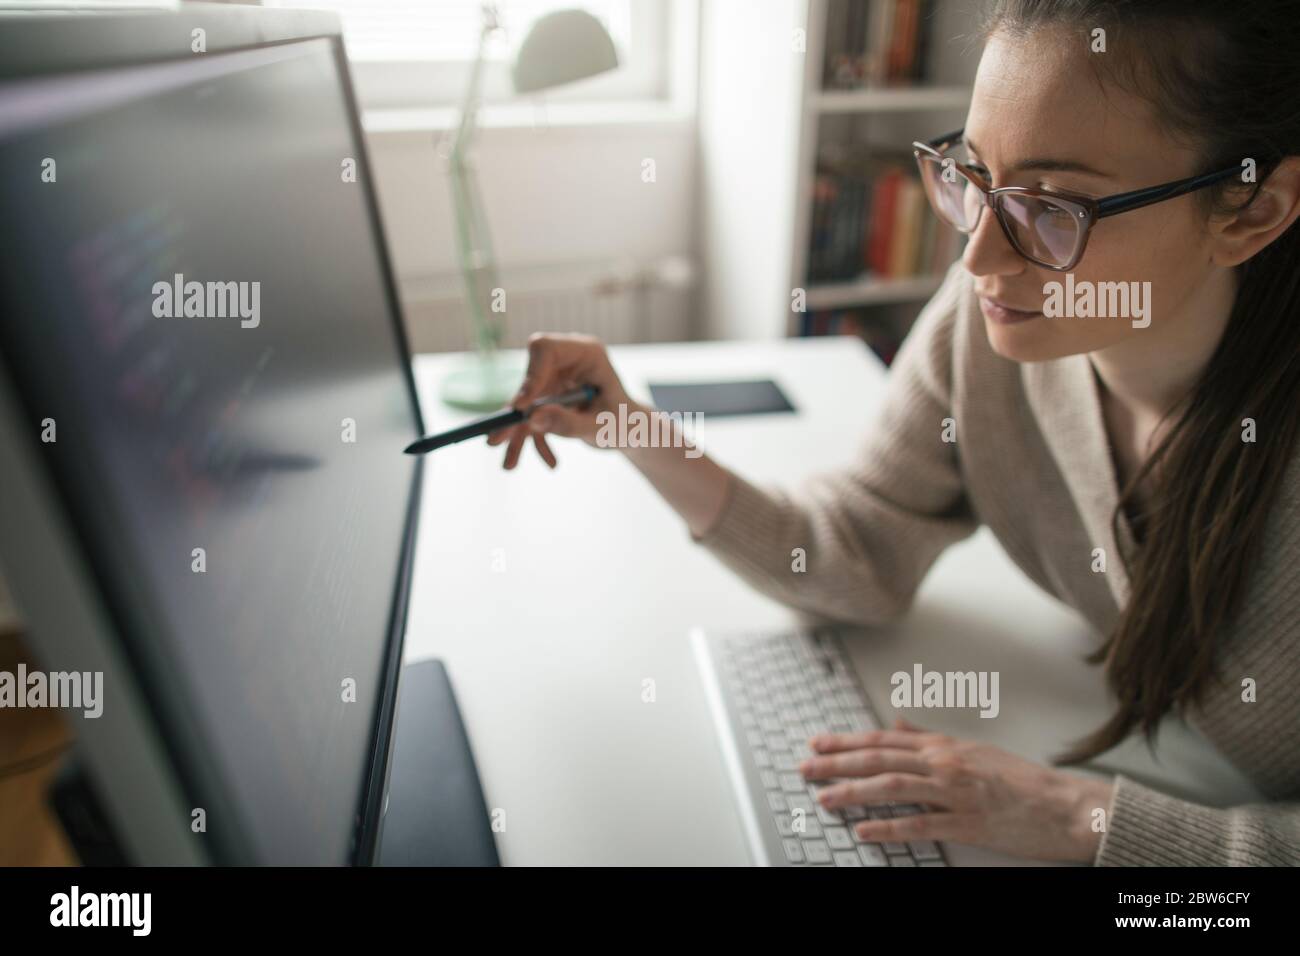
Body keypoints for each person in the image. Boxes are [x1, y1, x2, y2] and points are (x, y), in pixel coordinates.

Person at [488, 0, 1300, 866]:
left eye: (1056, 208)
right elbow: (857, 547)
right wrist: (631, 427)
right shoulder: (992, 322)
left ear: (1250, 212)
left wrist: (1080, 818)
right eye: (973, 178)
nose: (979, 259)